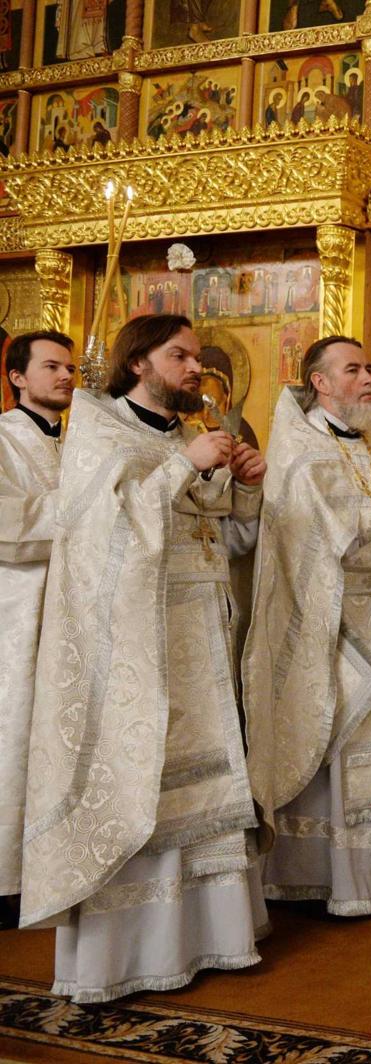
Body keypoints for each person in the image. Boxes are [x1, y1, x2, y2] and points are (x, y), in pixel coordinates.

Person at [20, 313, 269, 1002]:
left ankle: (209, 938)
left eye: (197, 357)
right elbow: (93, 532)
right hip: (137, 650)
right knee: (140, 789)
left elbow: (229, 542)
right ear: (139, 363)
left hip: (201, 645)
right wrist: (180, 471)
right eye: (180, 356)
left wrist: (244, 485)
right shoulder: (99, 429)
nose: (196, 368)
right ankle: (125, 958)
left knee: (205, 789)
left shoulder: (185, 434)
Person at [243, 336, 371, 917]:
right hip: (327, 623)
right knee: (338, 735)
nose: (367, 378)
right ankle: (327, 876)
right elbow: (302, 538)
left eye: (370, 367)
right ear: (320, 382)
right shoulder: (300, 453)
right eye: (352, 369)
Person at [0, 331, 75, 930]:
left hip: (71, 617)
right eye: (51, 366)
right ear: (17, 377)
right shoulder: (2, 440)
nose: (66, 376)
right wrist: (90, 512)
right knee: (15, 742)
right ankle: (7, 883)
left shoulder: (80, 446)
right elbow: (11, 525)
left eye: (71, 367)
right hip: (18, 618)